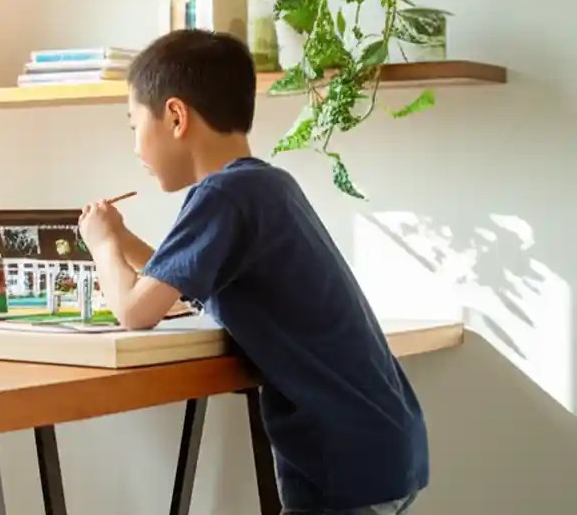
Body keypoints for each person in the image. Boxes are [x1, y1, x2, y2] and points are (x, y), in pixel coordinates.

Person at [76, 29, 428, 515]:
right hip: (377, 442)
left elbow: (136, 310)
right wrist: (123, 238)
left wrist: (101, 244)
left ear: (175, 116)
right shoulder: (261, 185)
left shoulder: (222, 196)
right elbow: (175, 278)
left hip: (344, 461)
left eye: (133, 124)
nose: (135, 146)